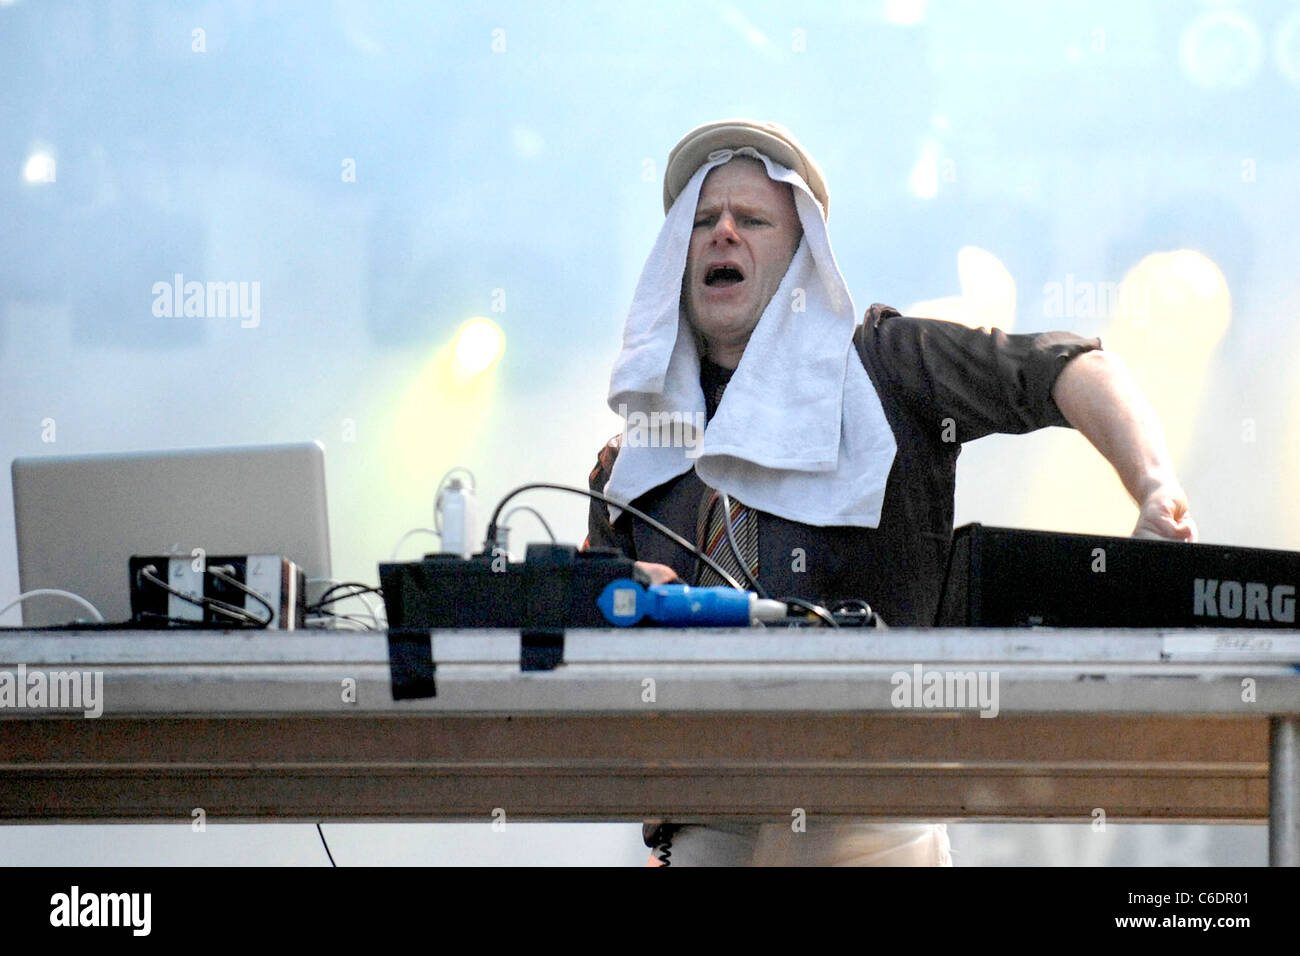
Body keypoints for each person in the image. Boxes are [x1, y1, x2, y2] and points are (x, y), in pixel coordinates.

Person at [584, 119, 1196, 866]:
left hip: (873, 821)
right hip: (705, 828)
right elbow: (583, 655)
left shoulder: (888, 366)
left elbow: (1070, 370)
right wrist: (612, 598)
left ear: (802, 250)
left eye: (751, 220)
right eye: (704, 221)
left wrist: (1154, 484)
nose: (723, 234)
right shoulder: (634, 459)